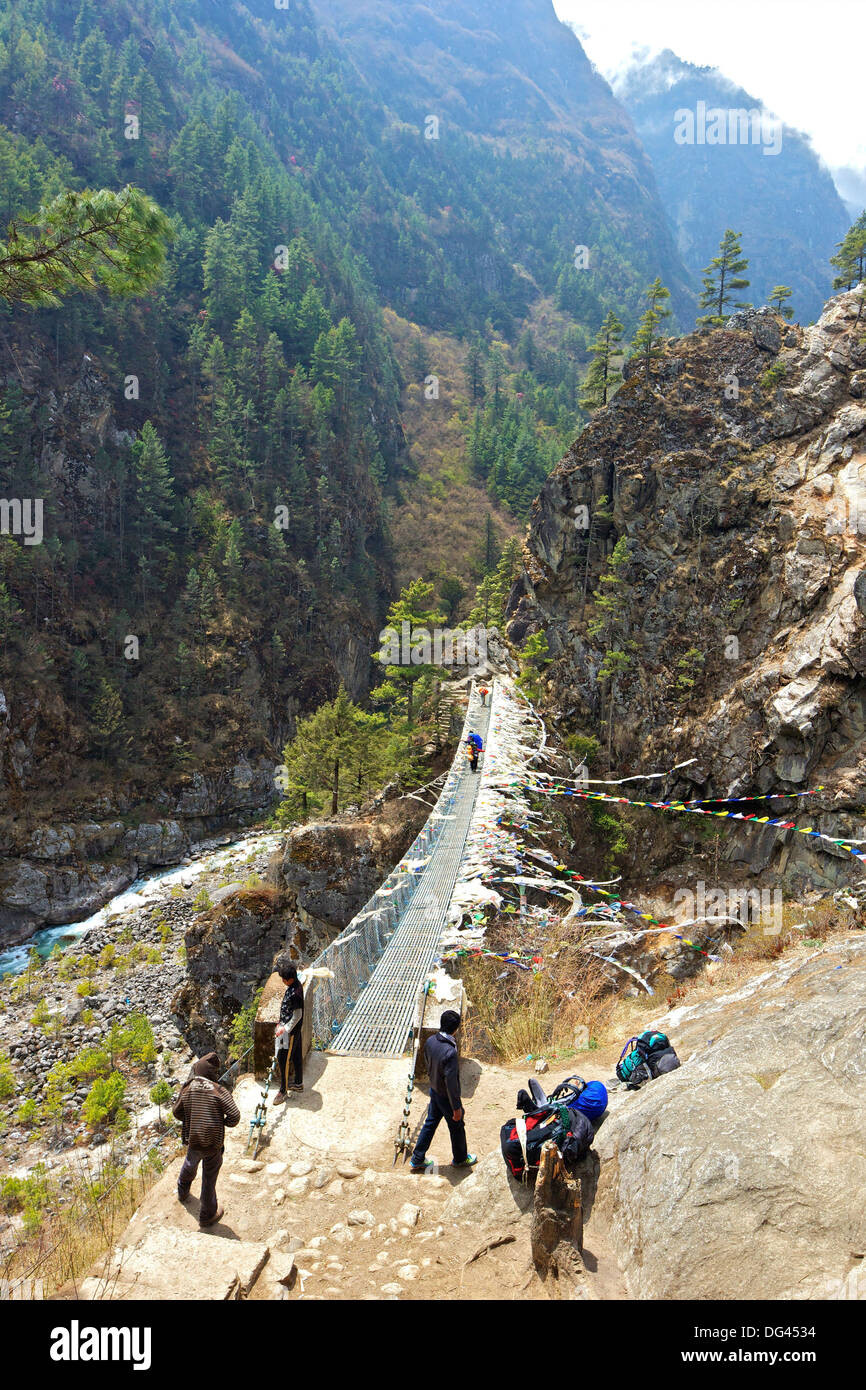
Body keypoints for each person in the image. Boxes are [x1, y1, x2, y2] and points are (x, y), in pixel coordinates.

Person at [174, 1051, 240, 1229]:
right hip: (213, 1142)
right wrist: (222, 1123)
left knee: (189, 1163)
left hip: (194, 1138)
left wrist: (191, 1118)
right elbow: (235, 1115)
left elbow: (176, 1112)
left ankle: (182, 1191)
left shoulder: (188, 1087)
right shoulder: (220, 1091)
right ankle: (207, 1214)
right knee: (209, 1177)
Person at [410, 1010, 477, 1173]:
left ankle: (417, 1158)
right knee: (457, 1126)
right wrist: (456, 1108)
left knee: (430, 1123)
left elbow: (427, 1061)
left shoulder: (431, 1040)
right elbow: (451, 1083)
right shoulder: (450, 1052)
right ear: (456, 1029)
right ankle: (460, 1158)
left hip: (434, 1090)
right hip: (446, 1096)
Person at [273, 956, 305, 1102]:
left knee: (283, 1059)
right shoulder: (296, 985)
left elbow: (298, 1014)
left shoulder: (296, 992)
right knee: (297, 1054)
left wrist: (284, 1029)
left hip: (289, 1032)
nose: (282, 982)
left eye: (283, 979)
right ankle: (298, 1083)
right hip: (293, 1030)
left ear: (290, 979)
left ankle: (283, 1091)